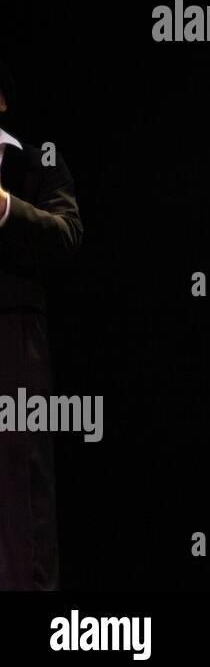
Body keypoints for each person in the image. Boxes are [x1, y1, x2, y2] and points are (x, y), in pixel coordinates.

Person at [0, 57, 84, 589]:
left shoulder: (36, 163)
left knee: (19, 486)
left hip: (10, 334)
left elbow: (67, 235)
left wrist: (6, 206)